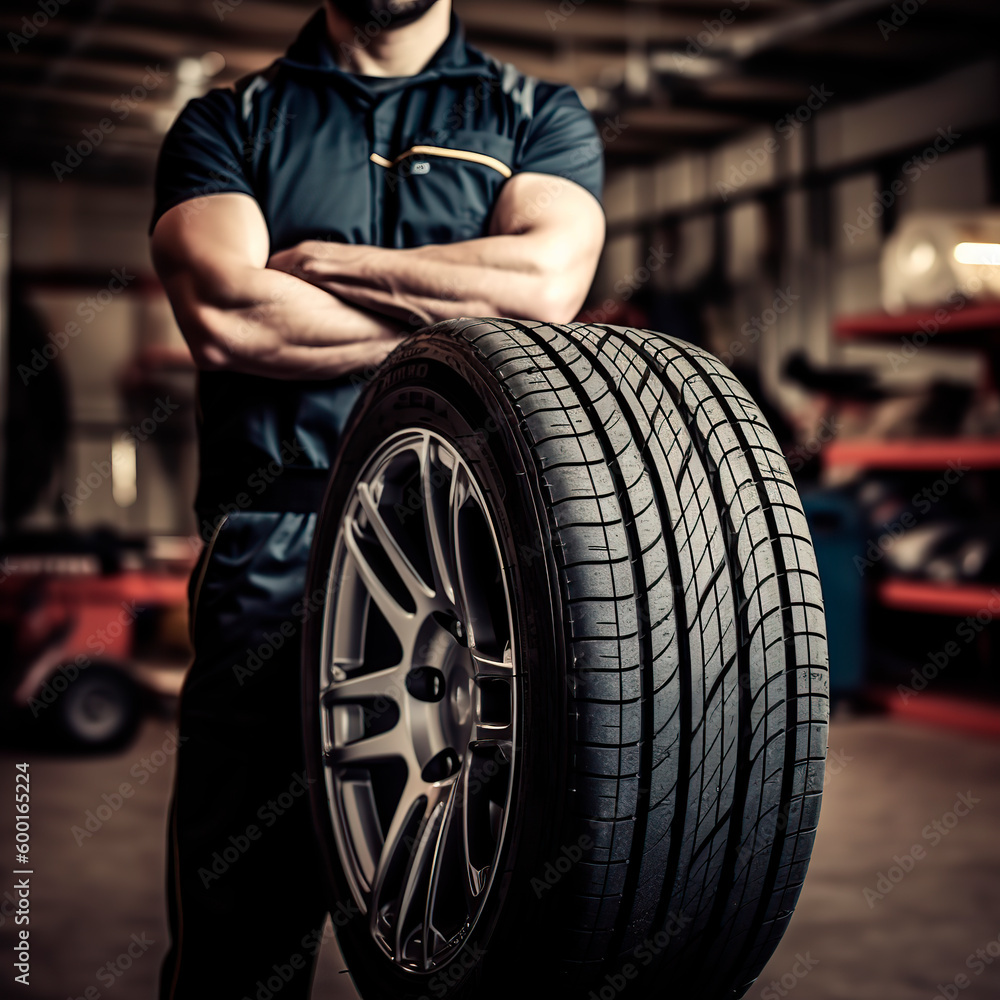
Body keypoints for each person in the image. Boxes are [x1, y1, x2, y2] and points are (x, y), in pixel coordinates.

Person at [148, 0, 605, 996]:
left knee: (478, 927)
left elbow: (544, 288)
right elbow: (230, 314)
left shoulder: (535, 115)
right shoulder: (229, 119)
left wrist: (325, 269)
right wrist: (463, 321)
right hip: (279, 542)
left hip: (477, 560)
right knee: (241, 930)